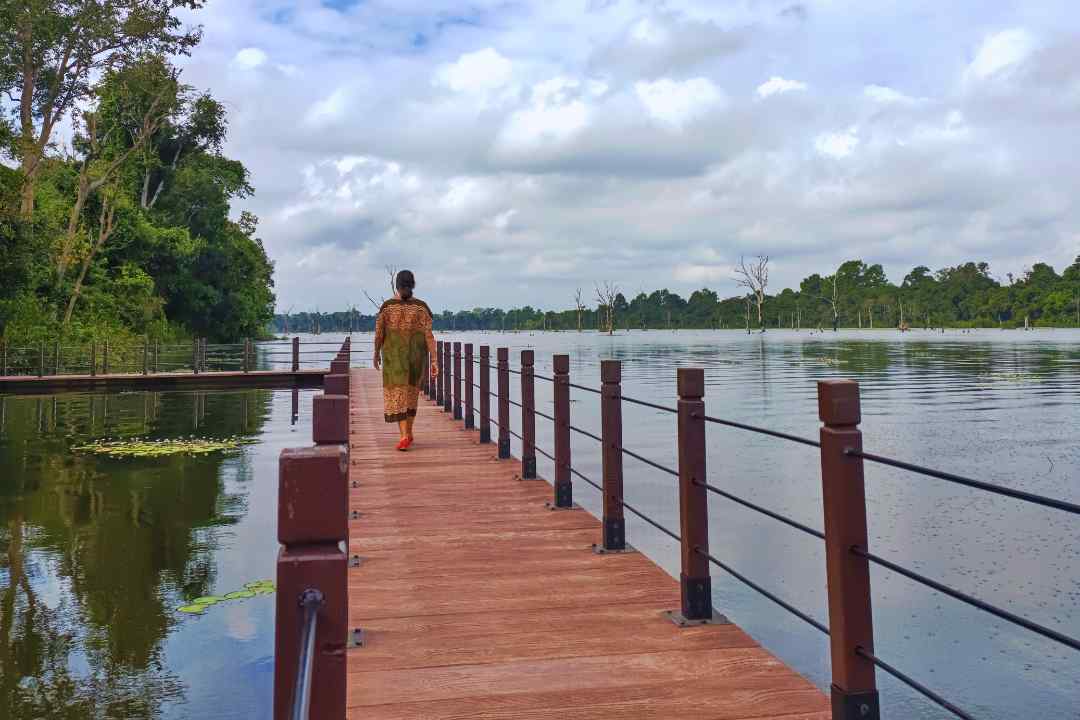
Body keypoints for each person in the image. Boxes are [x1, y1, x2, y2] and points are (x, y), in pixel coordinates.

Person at [373, 270, 438, 450]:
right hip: (416, 358)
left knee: (397, 395)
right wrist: (434, 360)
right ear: (413, 285)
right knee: (411, 395)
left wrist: (375, 353)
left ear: (397, 285)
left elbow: (379, 334)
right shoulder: (421, 308)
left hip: (394, 360)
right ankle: (408, 432)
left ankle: (403, 436)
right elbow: (429, 336)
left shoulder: (387, 307)